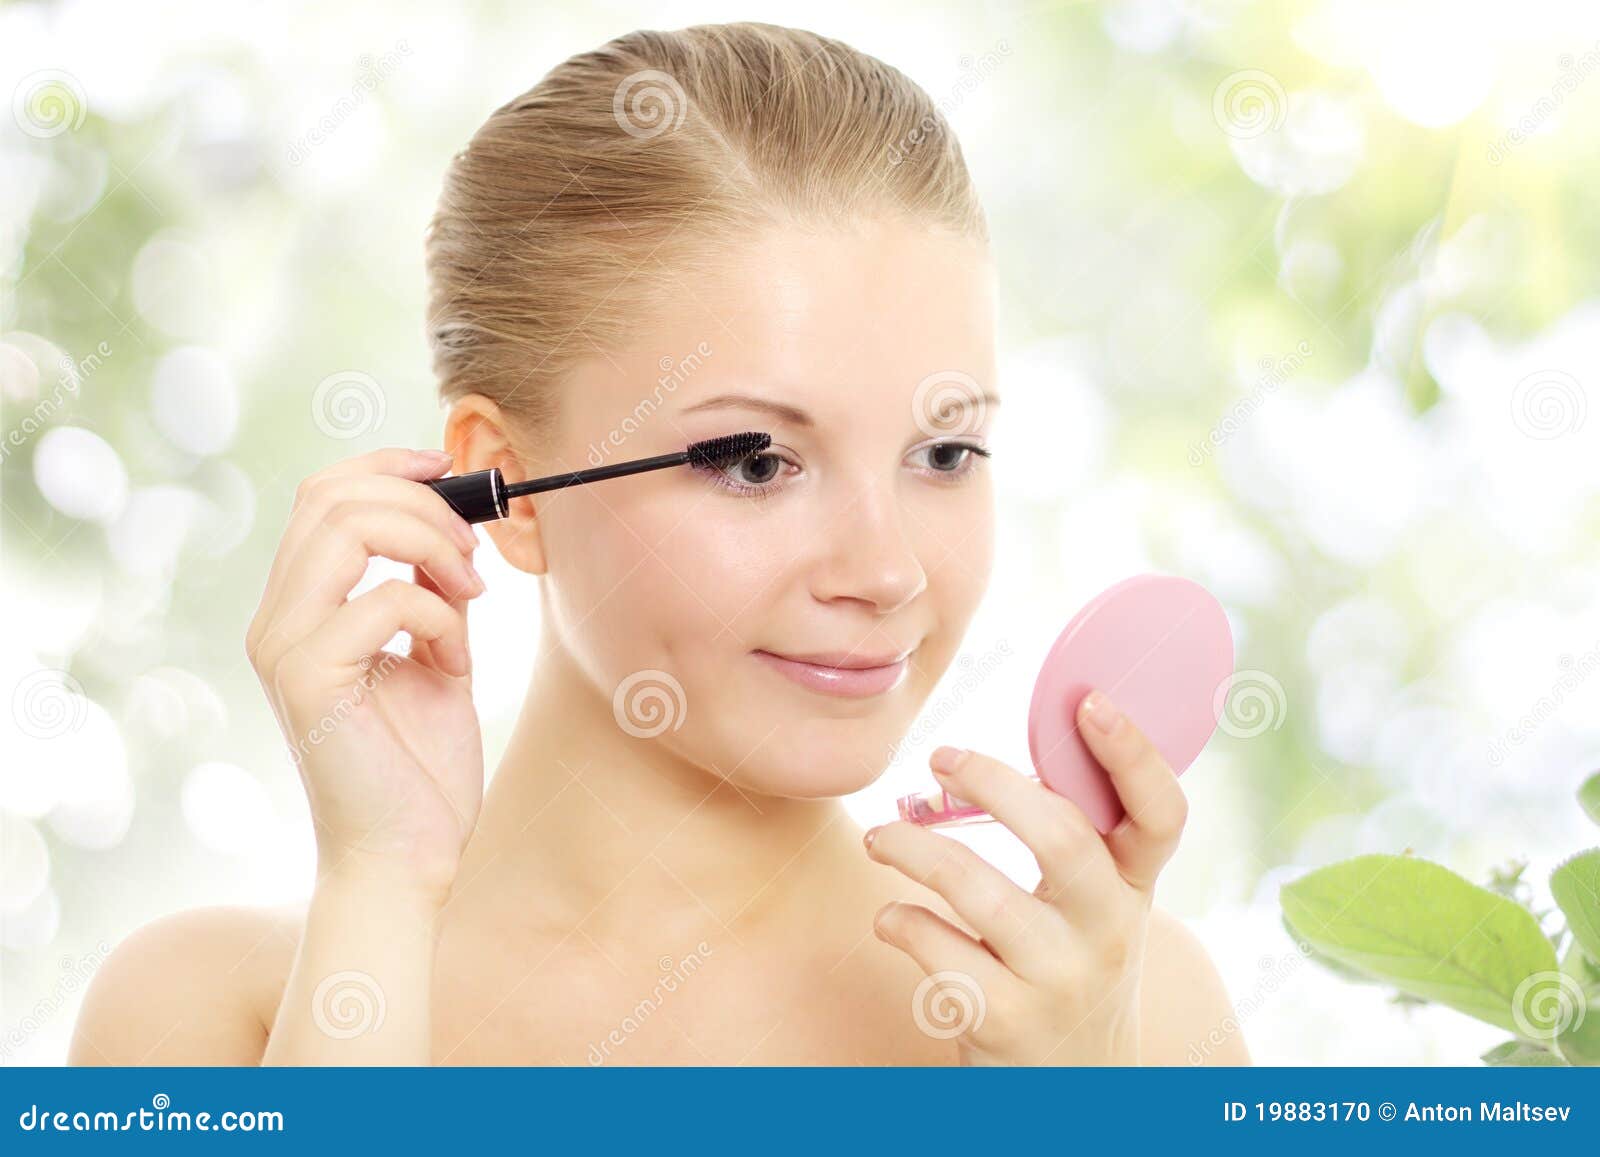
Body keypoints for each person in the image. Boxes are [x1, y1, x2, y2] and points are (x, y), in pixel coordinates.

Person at [70, 21, 1247, 1066]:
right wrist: (379, 889)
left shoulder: (1121, 1016)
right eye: (755, 461)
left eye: (943, 454)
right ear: (514, 485)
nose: (884, 572)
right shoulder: (220, 1015)